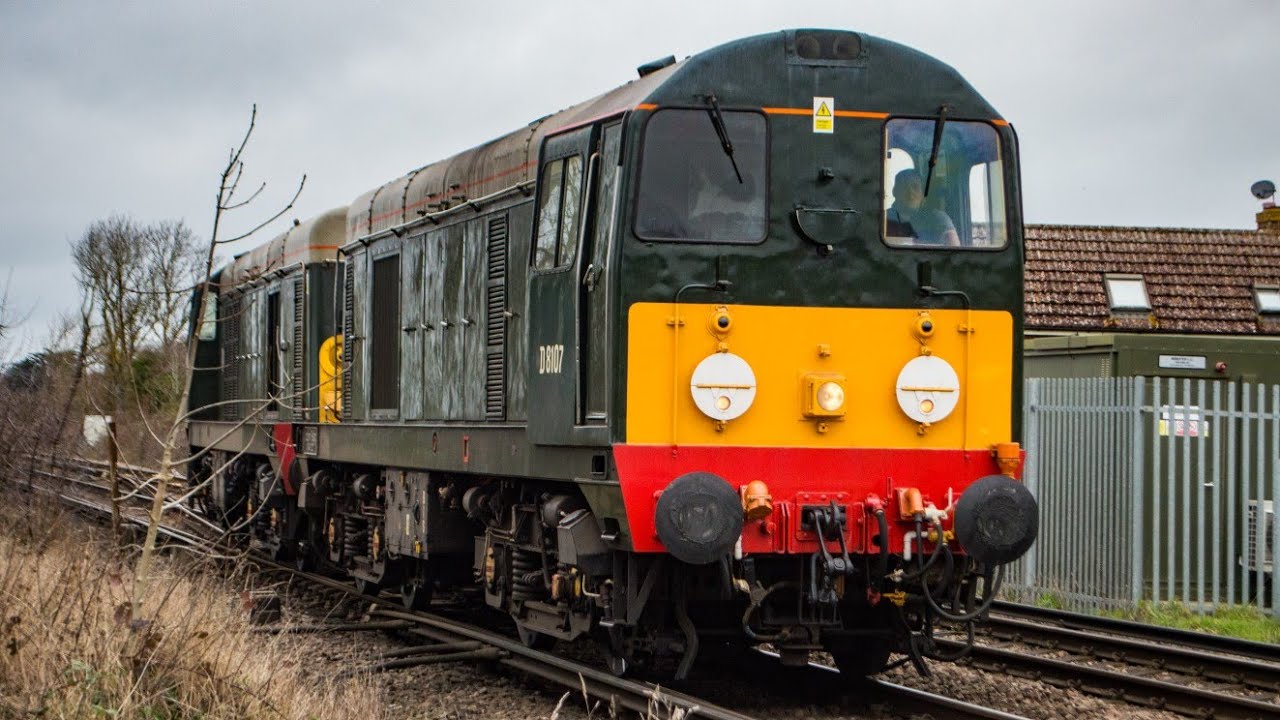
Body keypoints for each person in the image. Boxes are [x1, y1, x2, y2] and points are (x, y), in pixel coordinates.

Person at [886, 168, 960, 247]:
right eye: (904, 186)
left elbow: (954, 250)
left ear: (922, 194)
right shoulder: (882, 219)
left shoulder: (938, 219)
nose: (910, 192)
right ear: (894, 191)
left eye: (915, 187)